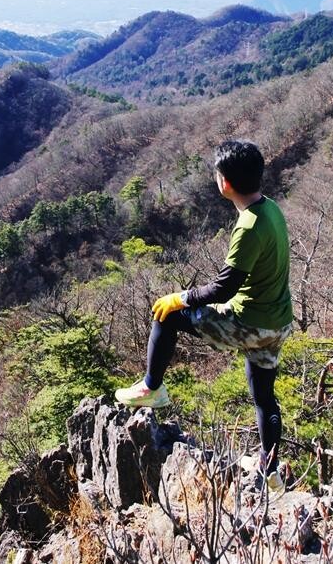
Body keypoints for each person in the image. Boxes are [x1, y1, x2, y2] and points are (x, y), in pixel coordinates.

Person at [115, 139, 293, 490]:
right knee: (264, 396)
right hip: (278, 322)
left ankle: (152, 388)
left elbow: (224, 288)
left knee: (167, 316)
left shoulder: (248, 226)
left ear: (224, 182)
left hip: (250, 323)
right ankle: (269, 469)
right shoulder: (271, 208)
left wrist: (180, 298)